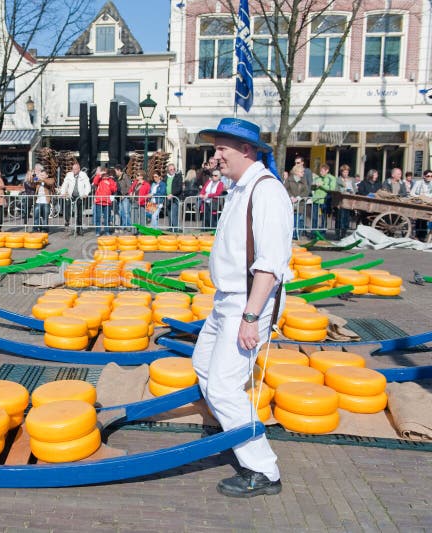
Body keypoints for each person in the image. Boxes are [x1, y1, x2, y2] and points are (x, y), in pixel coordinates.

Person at [193, 117, 293, 498]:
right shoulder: (239, 187)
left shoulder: (267, 192)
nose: (216, 155)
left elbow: (270, 263)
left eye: (222, 149)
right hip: (227, 300)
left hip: (248, 302)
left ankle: (263, 469)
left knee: (223, 385)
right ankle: (235, 428)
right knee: (203, 365)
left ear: (247, 150)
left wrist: (251, 317)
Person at [60, 162, 90, 235]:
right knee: (67, 206)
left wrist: (86, 193)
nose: (74, 170)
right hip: (71, 195)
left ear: (79, 169)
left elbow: (87, 185)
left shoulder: (83, 175)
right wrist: (63, 193)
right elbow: (65, 184)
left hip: (80, 196)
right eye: (73, 169)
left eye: (75, 169)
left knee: (79, 212)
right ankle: (67, 220)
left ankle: (79, 228)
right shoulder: (69, 175)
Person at [284, 164, 310, 239]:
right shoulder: (289, 179)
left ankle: (297, 235)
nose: (303, 173)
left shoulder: (304, 180)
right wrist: (291, 197)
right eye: (302, 172)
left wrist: (299, 197)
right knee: (292, 220)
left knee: (299, 220)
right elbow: (285, 189)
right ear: (296, 172)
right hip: (290, 203)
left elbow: (306, 191)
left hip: (300, 203)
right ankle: (291, 235)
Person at [310, 163, 336, 234]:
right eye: (320, 171)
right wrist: (314, 185)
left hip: (324, 200)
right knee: (314, 217)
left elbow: (332, 189)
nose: (320, 172)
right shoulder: (318, 178)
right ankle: (313, 233)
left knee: (323, 218)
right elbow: (312, 188)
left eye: (322, 171)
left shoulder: (331, 178)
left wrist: (321, 185)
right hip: (316, 199)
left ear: (327, 170)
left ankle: (322, 233)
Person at [93, 167, 117, 236]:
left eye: (106, 174)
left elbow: (114, 189)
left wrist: (109, 184)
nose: (105, 175)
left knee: (107, 218)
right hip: (99, 201)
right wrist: (99, 175)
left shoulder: (111, 181)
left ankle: (107, 231)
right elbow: (95, 182)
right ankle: (98, 231)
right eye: (103, 174)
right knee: (98, 217)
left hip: (107, 202)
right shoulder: (99, 179)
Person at [335, 164, 355, 239]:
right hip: (340, 201)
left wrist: (352, 191)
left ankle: (344, 233)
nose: (346, 174)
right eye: (344, 172)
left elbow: (355, 190)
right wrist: (343, 189)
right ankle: (338, 234)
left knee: (346, 218)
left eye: (347, 172)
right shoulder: (338, 180)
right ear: (341, 172)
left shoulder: (351, 180)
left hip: (348, 202)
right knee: (339, 218)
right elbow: (336, 190)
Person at [163, 163, 184, 231]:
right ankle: (171, 228)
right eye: (171, 169)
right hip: (167, 198)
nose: (172, 170)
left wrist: (172, 194)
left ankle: (175, 229)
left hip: (175, 198)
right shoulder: (165, 177)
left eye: (174, 169)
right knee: (169, 214)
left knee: (173, 213)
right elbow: (163, 187)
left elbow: (179, 188)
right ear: (168, 170)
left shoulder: (178, 176)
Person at [116, 165, 132, 231]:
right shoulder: (118, 178)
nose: (115, 172)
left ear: (119, 170)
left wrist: (124, 194)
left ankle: (130, 226)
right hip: (120, 197)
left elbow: (129, 187)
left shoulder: (125, 177)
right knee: (121, 212)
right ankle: (123, 225)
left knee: (126, 212)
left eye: (116, 171)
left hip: (125, 197)